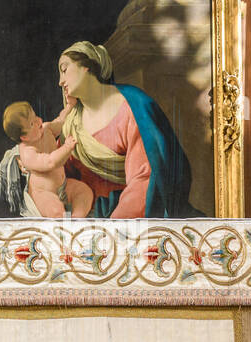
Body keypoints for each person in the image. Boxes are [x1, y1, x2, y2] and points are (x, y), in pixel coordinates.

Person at [55, 40, 198, 218]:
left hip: (129, 220)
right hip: (87, 219)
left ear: (87, 66)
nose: (61, 82)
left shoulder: (133, 105)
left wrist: (113, 229)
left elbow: (145, 178)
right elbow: (59, 175)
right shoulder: (71, 123)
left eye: (64, 69)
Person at [0, 100, 94, 218]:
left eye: (35, 116)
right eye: (32, 123)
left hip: (63, 186)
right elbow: (50, 162)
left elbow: (61, 121)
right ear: (24, 137)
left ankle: (76, 218)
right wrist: (67, 147)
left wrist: (70, 106)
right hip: (43, 193)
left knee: (84, 192)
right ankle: (64, 224)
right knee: (55, 212)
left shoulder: (46, 129)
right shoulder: (27, 153)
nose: (39, 121)